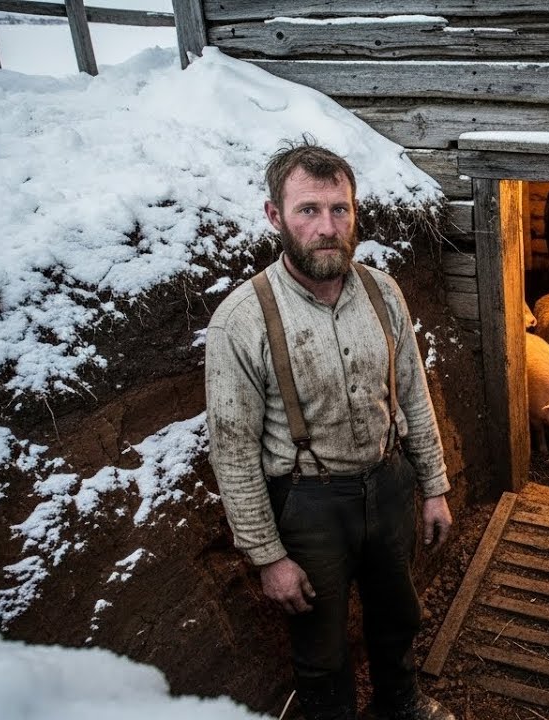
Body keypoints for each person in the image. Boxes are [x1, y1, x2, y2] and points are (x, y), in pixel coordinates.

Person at [205, 140, 455, 720]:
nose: (327, 227)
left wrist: (434, 487)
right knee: (320, 647)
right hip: (308, 505)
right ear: (275, 217)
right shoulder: (241, 320)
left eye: (339, 209)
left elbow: (412, 394)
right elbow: (233, 451)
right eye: (308, 210)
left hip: (388, 483)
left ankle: (400, 703)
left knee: (398, 614)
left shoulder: (382, 291)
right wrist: (268, 557)